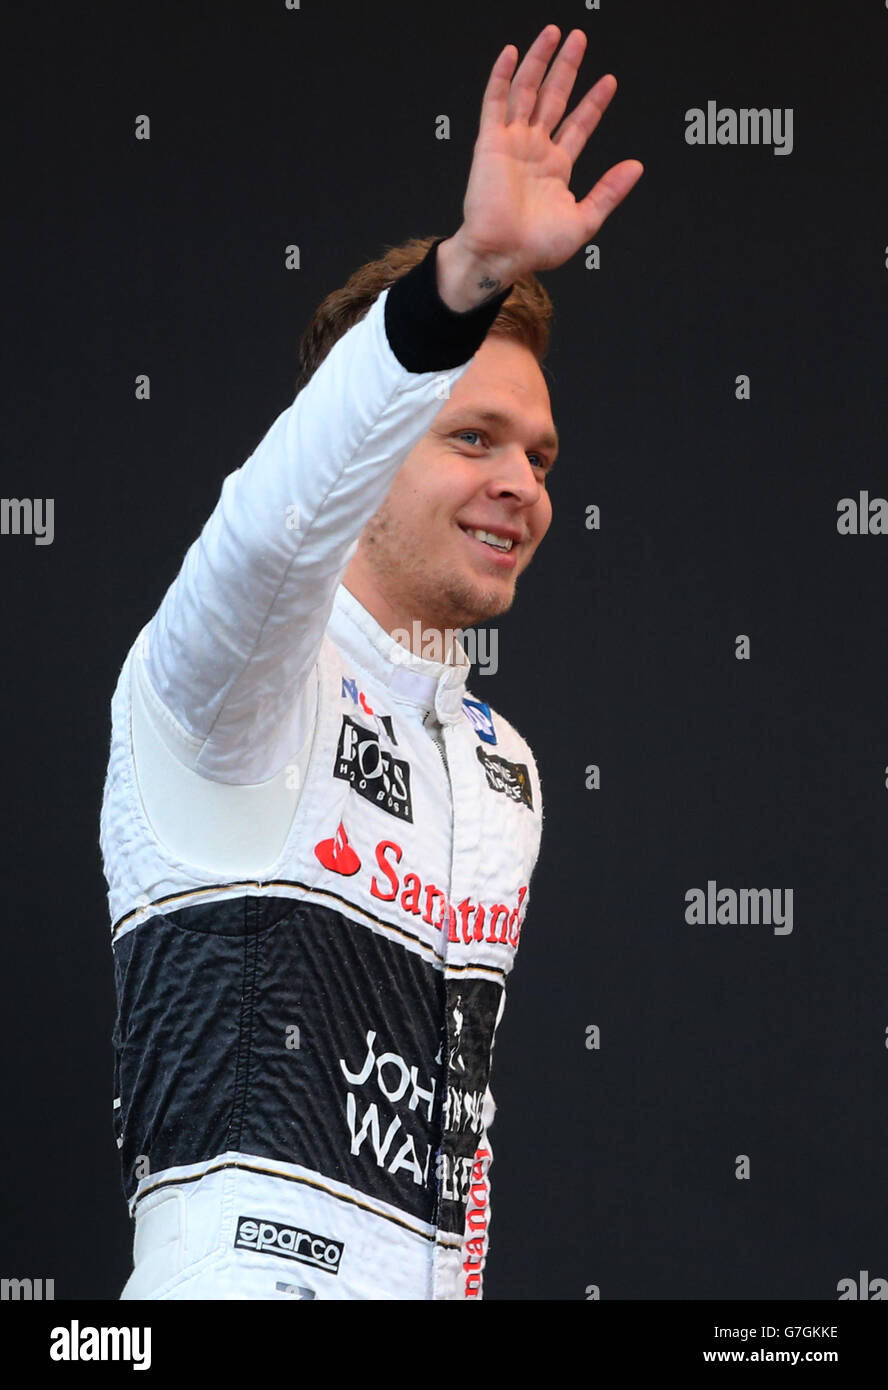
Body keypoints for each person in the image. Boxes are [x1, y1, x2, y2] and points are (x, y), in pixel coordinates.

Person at [100, 23, 643, 1301]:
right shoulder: (227, 684)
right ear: (371, 444)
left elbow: (460, 1137)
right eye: (473, 439)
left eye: (543, 457)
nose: (519, 482)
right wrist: (456, 288)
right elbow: (270, 521)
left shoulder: (508, 769)